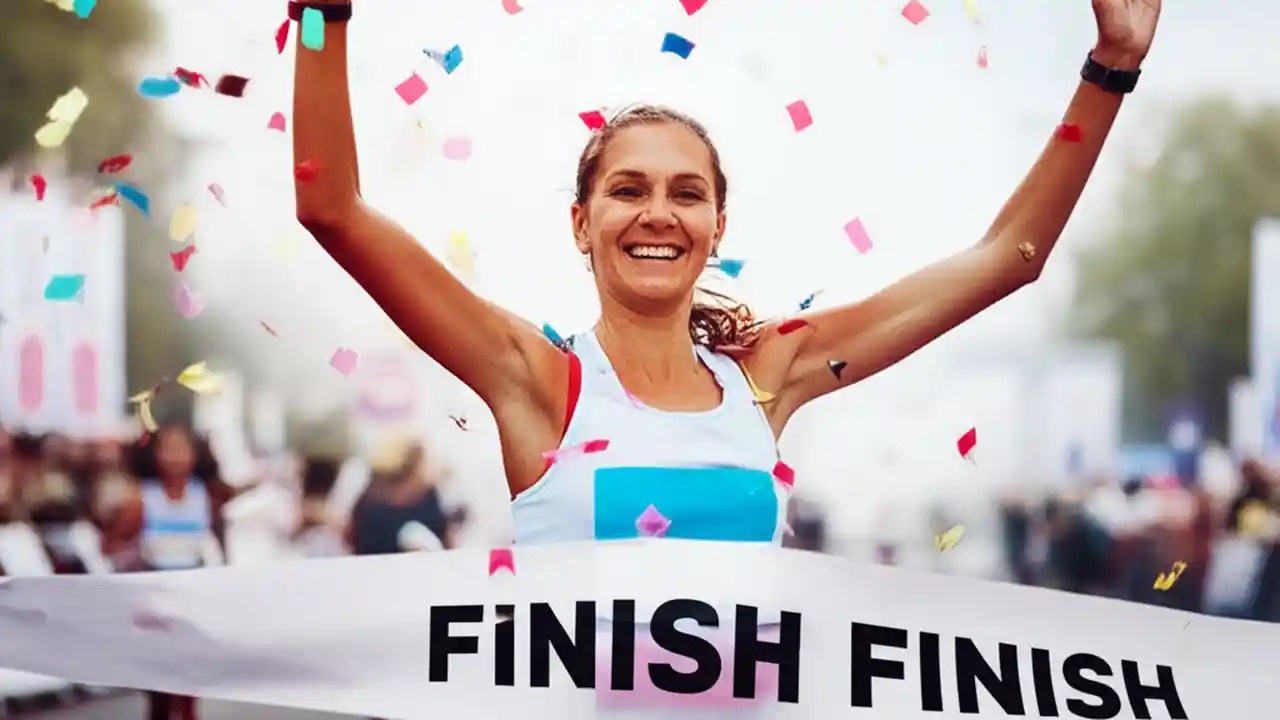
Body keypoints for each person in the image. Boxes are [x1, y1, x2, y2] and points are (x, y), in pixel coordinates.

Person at [293, 0, 1160, 710]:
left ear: (717, 227)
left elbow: (1010, 257)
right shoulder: (536, 379)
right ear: (581, 224)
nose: (657, 214)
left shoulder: (767, 374)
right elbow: (331, 208)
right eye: (627, 189)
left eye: (687, 193)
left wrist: (1112, 65)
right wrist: (323, 13)